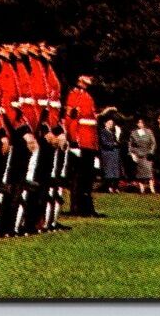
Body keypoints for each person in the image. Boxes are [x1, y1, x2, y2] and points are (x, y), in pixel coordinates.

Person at [63, 69, 100, 218]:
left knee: (87, 177)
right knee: (78, 177)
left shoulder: (87, 95)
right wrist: (73, 141)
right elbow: (71, 119)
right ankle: (77, 207)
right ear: (80, 77)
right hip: (81, 141)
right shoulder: (74, 95)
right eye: (88, 74)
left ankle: (87, 207)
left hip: (89, 142)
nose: (91, 77)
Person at [128, 118, 157, 193]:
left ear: (144, 123)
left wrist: (151, 152)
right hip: (138, 155)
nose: (140, 124)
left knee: (149, 173)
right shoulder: (133, 133)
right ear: (137, 124)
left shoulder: (149, 132)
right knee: (140, 174)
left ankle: (152, 189)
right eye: (139, 123)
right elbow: (130, 145)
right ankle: (142, 189)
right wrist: (132, 154)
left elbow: (153, 143)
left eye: (141, 123)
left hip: (147, 155)